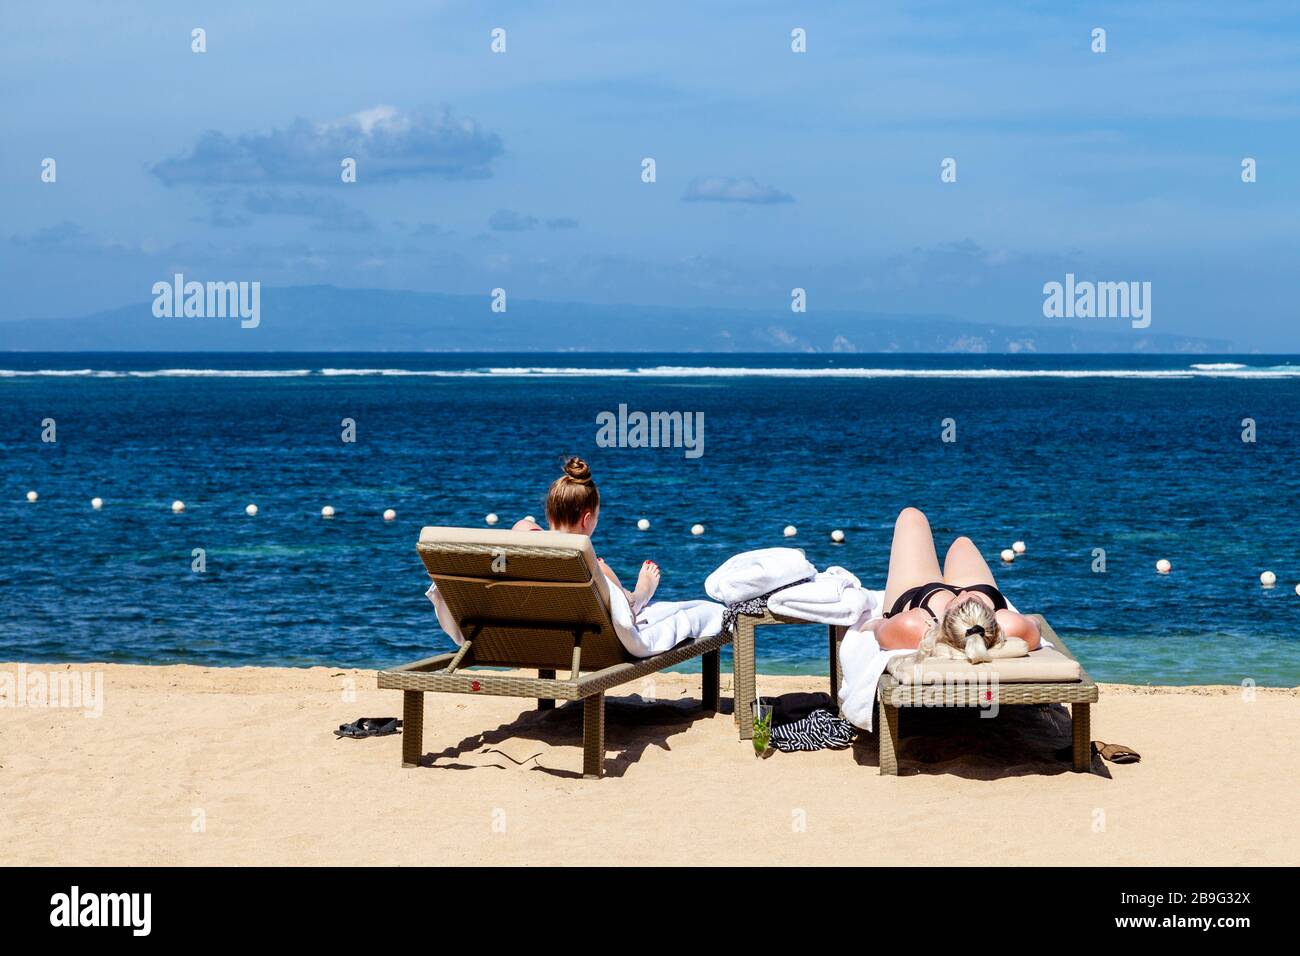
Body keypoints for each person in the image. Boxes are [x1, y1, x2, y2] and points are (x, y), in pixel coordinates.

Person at [875, 507, 1041, 660]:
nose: (962, 593)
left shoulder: (913, 625)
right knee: (962, 543)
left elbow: (877, 628)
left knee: (911, 516)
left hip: (917, 594)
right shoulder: (1011, 625)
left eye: (959, 600)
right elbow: (1036, 622)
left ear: (943, 620)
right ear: (991, 618)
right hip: (980, 589)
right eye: (975, 601)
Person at [513, 457, 660, 612]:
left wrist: (551, 543)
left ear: (549, 515)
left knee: (525, 525)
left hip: (525, 618)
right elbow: (626, 615)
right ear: (587, 519)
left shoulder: (520, 535)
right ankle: (642, 592)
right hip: (573, 626)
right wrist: (594, 564)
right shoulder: (596, 569)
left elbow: (527, 526)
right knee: (628, 599)